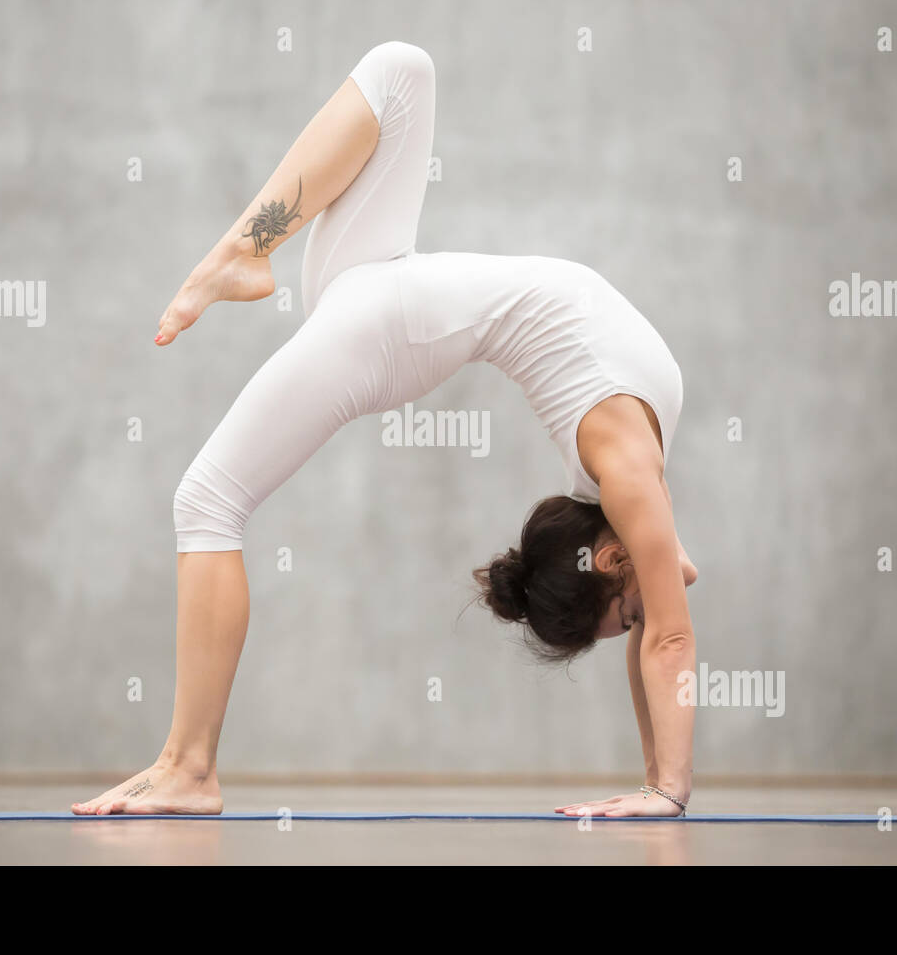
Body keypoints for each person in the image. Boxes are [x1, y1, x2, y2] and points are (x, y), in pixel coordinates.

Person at [74, 41, 697, 818]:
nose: (659, 604)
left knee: (205, 503)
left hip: (385, 310)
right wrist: (667, 791)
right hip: (384, 307)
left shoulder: (621, 475)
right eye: (629, 611)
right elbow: (671, 640)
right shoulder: (628, 473)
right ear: (610, 554)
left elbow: (659, 628)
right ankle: (190, 770)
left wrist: (652, 780)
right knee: (403, 71)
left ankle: (186, 765)